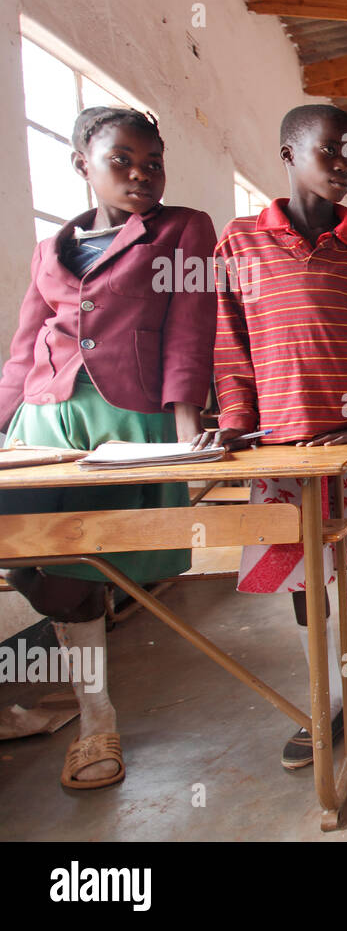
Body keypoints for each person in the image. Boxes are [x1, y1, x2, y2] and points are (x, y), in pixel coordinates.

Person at [201, 104, 347, 766]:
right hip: (284, 447)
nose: (344, 165)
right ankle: (327, 700)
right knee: (307, 577)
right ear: (288, 154)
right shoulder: (238, 243)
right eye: (331, 151)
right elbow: (230, 347)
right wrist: (240, 425)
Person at [0, 107, 217, 789]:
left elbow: (189, 328)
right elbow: (22, 347)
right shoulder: (49, 250)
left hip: (126, 423)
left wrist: (186, 433)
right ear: (82, 165)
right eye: (122, 160)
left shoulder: (184, 229)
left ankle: (97, 721)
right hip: (44, 418)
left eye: (152, 161)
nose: (141, 174)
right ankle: (79, 702)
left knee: (85, 564)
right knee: (27, 561)